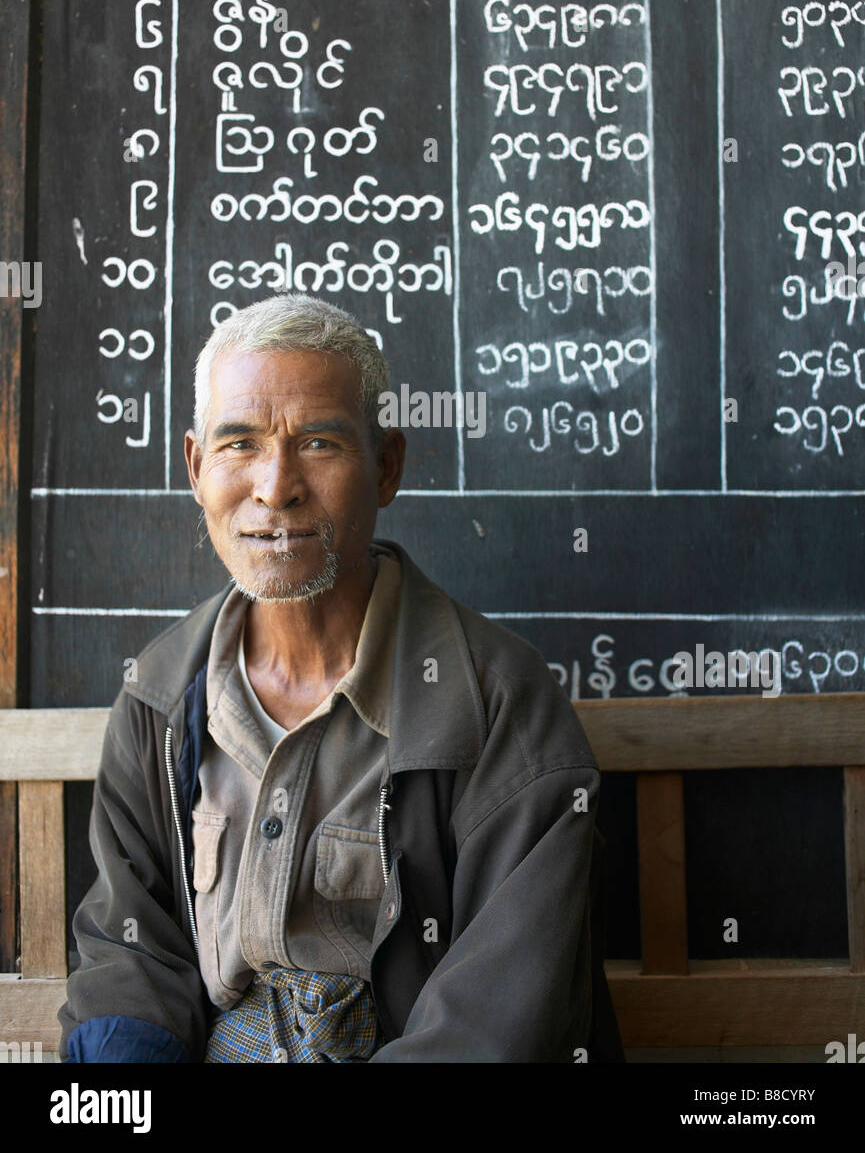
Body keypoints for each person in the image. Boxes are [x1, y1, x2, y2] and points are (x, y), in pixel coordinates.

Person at [58, 293, 622, 1063]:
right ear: (195, 468)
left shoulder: (496, 702)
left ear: (386, 466)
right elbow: (131, 946)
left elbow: (503, 1017)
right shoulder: (161, 696)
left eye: (319, 443)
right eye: (239, 445)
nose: (276, 485)